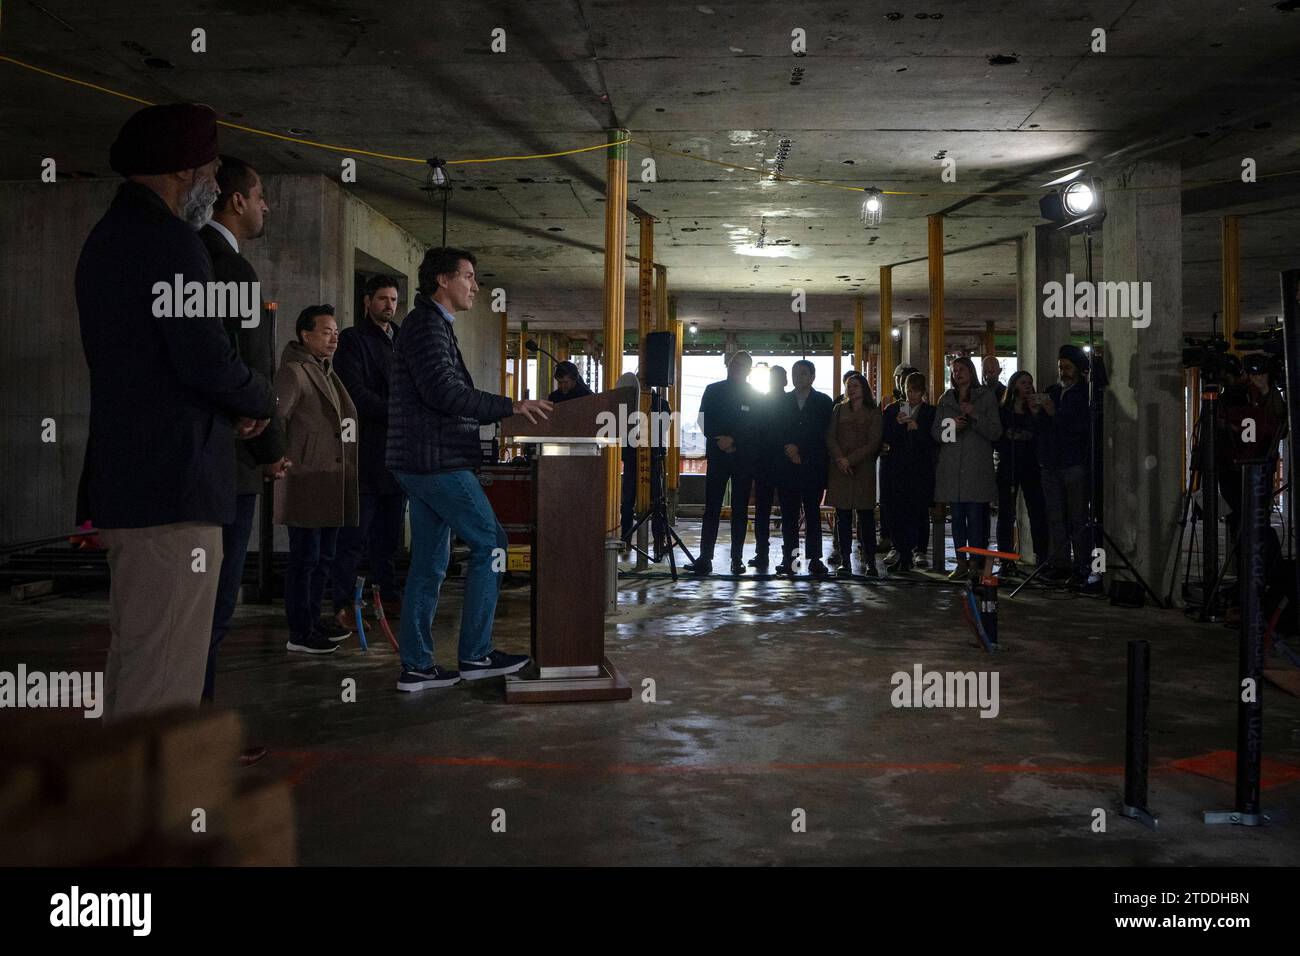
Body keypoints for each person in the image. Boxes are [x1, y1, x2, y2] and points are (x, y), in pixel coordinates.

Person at [75, 104, 275, 719]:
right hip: (174, 485)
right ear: (185, 172)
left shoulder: (108, 239)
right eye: (213, 172)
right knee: (165, 672)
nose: (217, 189)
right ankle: (151, 809)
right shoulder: (170, 244)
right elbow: (205, 358)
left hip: (131, 481)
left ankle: (132, 797)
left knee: (139, 657)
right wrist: (260, 400)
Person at [388, 247, 550, 692]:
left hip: (421, 462)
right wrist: (510, 406)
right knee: (492, 542)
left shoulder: (432, 325)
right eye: (469, 277)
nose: (476, 286)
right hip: (436, 461)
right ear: (443, 280)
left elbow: (447, 390)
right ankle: (476, 655)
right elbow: (444, 393)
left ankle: (418, 666)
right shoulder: (426, 326)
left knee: (429, 563)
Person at [198, 156, 287, 722]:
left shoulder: (185, 257)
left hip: (202, 458)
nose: (265, 206)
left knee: (189, 608)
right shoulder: (229, 267)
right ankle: (191, 733)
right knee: (212, 607)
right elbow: (242, 361)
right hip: (227, 463)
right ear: (235, 200)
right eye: (259, 197)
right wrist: (268, 443)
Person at [273, 306, 359, 653]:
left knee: (324, 557)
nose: (334, 337)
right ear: (304, 335)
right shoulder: (294, 372)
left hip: (330, 480)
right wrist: (281, 459)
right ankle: (299, 630)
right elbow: (276, 417)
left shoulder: (326, 371)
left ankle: (313, 619)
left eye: (335, 331)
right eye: (326, 331)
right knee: (305, 559)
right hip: (307, 480)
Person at [330, 274, 408, 630]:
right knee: (354, 535)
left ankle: (386, 594)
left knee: (388, 536)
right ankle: (343, 601)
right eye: (382, 299)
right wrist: (400, 412)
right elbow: (355, 394)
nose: (389, 305)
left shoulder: (400, 340)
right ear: (367, 301)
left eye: (393, 299)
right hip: (366, 452)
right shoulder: (353, 340)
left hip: (396, 453)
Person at [687, 351, 760, 576]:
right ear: (728, 365)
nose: (736, 367)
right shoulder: (713, 390)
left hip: (742, 458)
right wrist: (720, 440)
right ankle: (705, 559)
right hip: (718, 457)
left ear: (749, 370)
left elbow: (755, 425)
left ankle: (736, 560)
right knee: (712, 509)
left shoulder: (755, 395)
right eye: (734, 363)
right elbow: (703, 419)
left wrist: (733, 440)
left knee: (740, 510)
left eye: (742, 365)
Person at [932, 356, 1002, 579]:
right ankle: (961, 562)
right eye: (954, 370)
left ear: (971, 372)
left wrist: (974, 415)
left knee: (976, 518)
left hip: (976, 467)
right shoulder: (945, 399)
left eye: (961, 369)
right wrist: (953, 426)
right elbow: (937, 433)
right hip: (952, 468)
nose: (957, 373)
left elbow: (995, 431)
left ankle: (976, 563)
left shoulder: (986, 397)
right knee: (958, 518)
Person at [1034, 344, 1093, 584]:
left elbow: (1079, 428)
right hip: (1051, 463)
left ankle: (1082, 566)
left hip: (1073, 464)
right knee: (1055, 516)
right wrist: (1038, 412)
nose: (1064, 372)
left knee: (1078, 517)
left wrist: (1054, 413)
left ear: (1078, 369)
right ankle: (1059, 563)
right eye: (1061, 367)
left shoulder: (1084, 394)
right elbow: (1041, 428)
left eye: (1068, 368)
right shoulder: (1053, 391)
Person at [774, 359, 835, 576]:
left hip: (813, 466)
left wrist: (801, 451)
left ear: (812, 377)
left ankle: (815, 559)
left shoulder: (823, 402)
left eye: (802, 373)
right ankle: (790, 560)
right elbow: (776, 428)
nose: (797, 377)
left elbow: (824, 433)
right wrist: (788, 448)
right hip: (787, 466)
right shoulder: (782, 401)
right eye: (794, 373)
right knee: (789, 515)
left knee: (812, 514)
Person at [825, 372, 883, 577]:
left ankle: (870, 561)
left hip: (863, 469)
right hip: (841, 470)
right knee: (843, 517)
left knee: (866, 517)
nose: (851, 389)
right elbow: (830, 437)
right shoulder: (839, 410)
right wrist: (841, 459)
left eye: (855, 385)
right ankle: (845, 559)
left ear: (864, 388)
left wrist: (850, 459)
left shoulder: (873, 412)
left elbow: (874, 442)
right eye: (849, 385)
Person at [994, 370, 1049, 575]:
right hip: (1009, 465)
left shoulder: (1034, 410)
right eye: (1023, 382)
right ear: (1014, 385)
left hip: (1031, 466)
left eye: (1030, 383)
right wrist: (1008, 436)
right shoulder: (1003, 411)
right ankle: (1006, 560)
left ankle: (1041, 558)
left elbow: (1042, 433)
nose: (1027, 386)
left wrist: (1034, 416)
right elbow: (997, 438)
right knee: (1006, 514)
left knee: (1037, 511)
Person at [881, 372, 937, 572]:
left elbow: (935, 441)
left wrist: (917, 429)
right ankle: (901, 551)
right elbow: (884, 437)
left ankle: (918, 549)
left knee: (919, 512)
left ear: (922, 392)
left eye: (916, 391)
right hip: (897, 469)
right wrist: (897, 424)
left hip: (920, 470)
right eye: (909, 390)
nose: (912, 395)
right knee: (898, 512)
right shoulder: (892, 410)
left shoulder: (930, 412)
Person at [620, 367, 672, 540]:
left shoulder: (661, 404)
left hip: (654, 458)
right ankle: (626, 537)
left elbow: (662, 428)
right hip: (631, 457)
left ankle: (659, 539)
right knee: (627, 501)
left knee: (656, 501)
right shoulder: (626, 404)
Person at [749, 364, 788, 572]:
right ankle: (764, 554)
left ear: (784, 381)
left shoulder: (761, 402)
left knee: (778, 513)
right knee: (765, 513)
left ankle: (773, 555)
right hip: (771, 464)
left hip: (776, 464)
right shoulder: (789, 402)